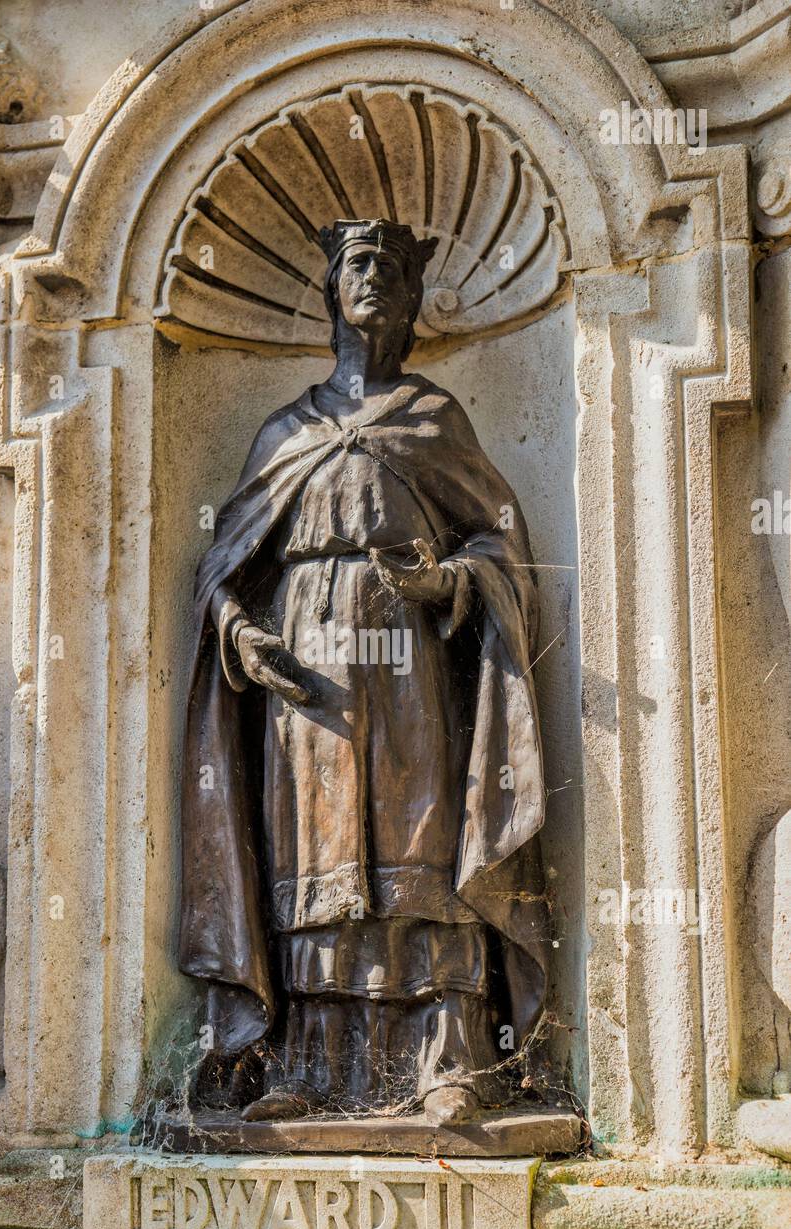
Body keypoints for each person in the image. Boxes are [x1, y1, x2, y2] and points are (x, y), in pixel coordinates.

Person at [180, 218, 550, 1125]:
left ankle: (450, 1064)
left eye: (392, 265)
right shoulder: (286, 432)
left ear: (416, 300)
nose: (376, 277)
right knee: (321, 850)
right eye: (359, 263)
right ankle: (304, 1068)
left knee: (419, 838)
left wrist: (451, 580)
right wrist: (240, 633)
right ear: (331, 291)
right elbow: (220, 568)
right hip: (306, 669)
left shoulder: (432, 417)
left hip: (412, 661)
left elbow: (501, 540)